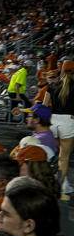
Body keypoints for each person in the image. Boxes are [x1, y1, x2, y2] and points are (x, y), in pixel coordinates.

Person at [45, 60, 74, 194]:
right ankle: (60, 187)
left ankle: (49, 181)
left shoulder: (52, 85)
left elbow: (44, 106)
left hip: (53, 120)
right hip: (68, 120)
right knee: (64, 157)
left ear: (61, 70)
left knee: (52, 154)